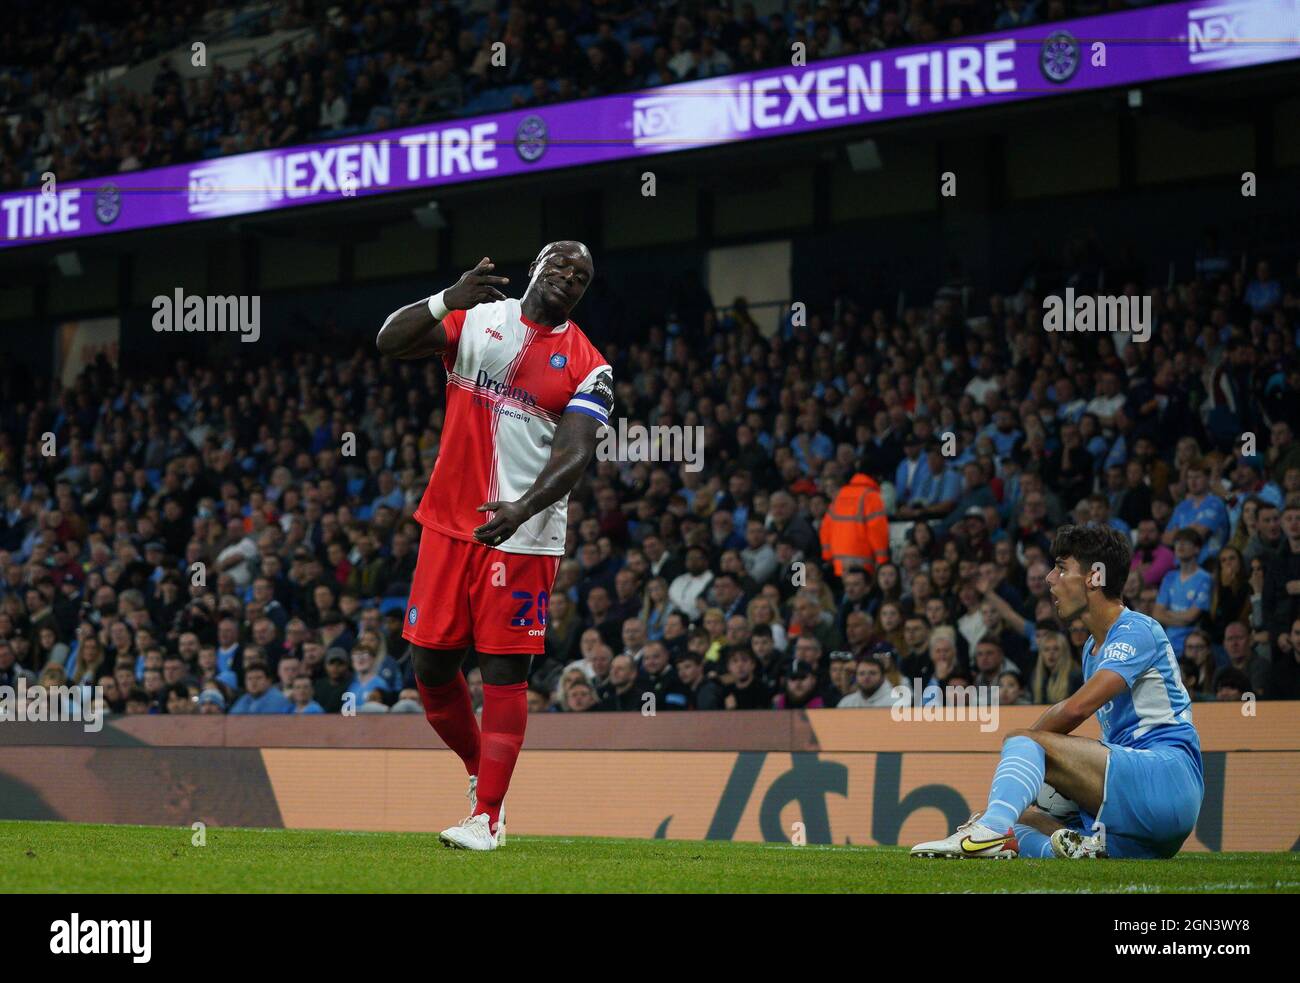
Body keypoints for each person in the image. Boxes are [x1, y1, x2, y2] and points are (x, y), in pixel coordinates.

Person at [376, 242, 612, 851]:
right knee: (429, 669)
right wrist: (443, 300)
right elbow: (389, 342)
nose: (569, 278)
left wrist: (523, 509)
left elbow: (576, 453)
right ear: (536, 266)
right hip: (447, 525)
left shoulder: (590, 366)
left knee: (504, 673)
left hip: (525, 535)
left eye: (581, 277)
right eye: (560, 265)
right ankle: (484, 772)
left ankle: (488, 816)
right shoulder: (479, 318)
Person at [912, 524, 1203, 860]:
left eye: (1062, 568)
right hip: (1140, 822)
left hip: (1166, 777)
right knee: (1019, 822)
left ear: (1095, 577)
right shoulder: (1093, 646)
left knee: (1024, 744)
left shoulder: (1137, 629)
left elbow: (1076, 710)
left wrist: (1024, 751)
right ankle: (1062, 847)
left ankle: (987, 831)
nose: (1050, 578)